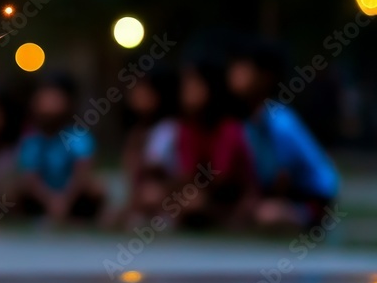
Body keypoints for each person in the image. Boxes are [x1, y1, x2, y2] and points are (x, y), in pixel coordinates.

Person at [227, 41, 339, 230]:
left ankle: (310, 222)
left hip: (311, 197)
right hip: (280, 193)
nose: (234, 74)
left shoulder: (279, 121)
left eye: (243, 69)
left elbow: (283, 177)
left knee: (265, 215)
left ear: (265, 77)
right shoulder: (250, 120)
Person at [162, 59, 258, 229]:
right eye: (185, 86)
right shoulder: (187, 128)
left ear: (212, 88)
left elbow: (220, 177)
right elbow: (186, 173)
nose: (186, 92)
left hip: (233, 199)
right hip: (199, 194)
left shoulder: (229, 129)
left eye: (194, 86)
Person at [15, 73, 106, 224]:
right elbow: (30, 177)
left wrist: (65, 200)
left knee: (97, 187)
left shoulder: (78, 136)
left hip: (74, 198)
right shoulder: (31, 140)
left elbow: (82, 173)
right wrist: (50, 200)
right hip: (41, 200)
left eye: (54, 99)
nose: (48, 104)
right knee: (15, 188)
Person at [120, 66, 179, 226]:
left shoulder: (168, 128)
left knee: (150, 194)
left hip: (167, 193)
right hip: (142, 192)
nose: (136, 94)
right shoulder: (137, 131)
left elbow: (154, 168)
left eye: (143, 90)